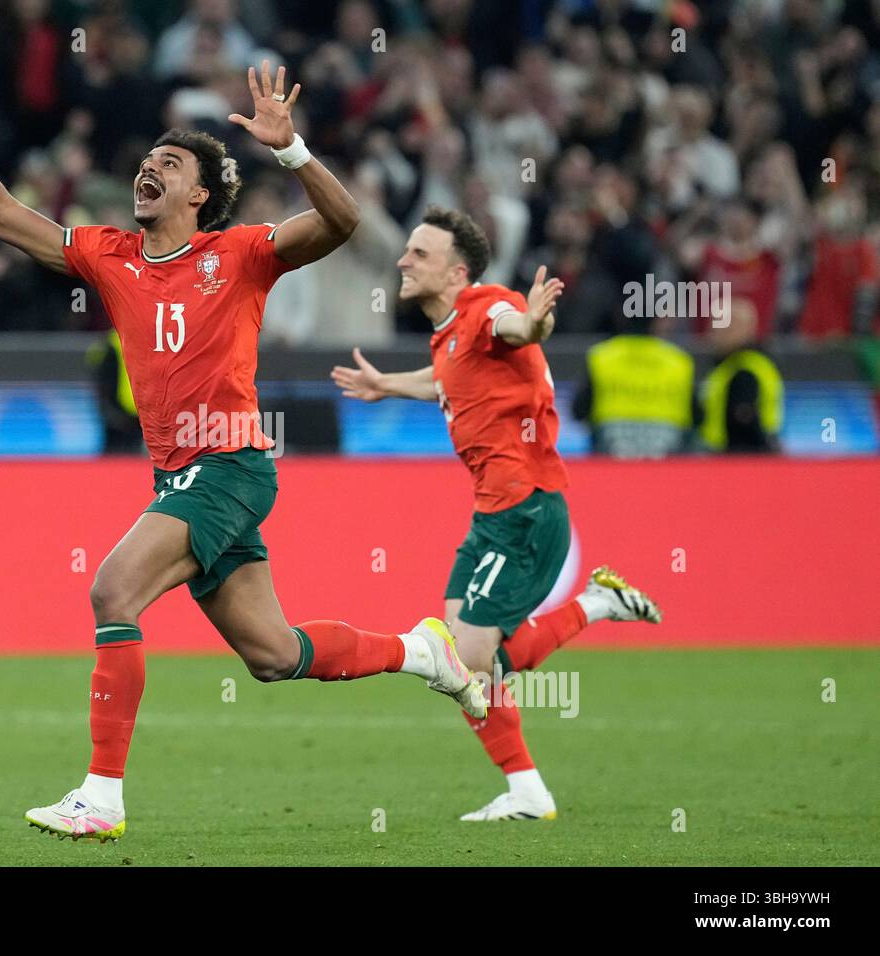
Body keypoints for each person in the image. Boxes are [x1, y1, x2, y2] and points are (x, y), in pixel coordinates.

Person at [0, 35, 487, 842]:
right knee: (273, 654)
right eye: (150, 158)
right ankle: (421, 652)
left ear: (201, 196)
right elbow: (1, 213)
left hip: (231, 466)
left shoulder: (241, 254)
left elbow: (344, 221)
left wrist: (290, 148)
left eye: (171, 165)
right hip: (180, 477)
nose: (151, 167)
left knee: (113, 591)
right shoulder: (109, 257)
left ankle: (102, 796)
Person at [331, 208, 661, 821]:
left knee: (467, 661)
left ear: (458, 271)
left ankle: (594, 606)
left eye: (419, 254)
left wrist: (535, 320)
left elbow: (516, 328)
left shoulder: (487, 308)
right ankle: (528, 790)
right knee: (462, 663)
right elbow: (445, 377)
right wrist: (386, 385)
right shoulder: (453, 331)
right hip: (492, 515)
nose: (403, 261)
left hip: (527, 512)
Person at [573, 312, 701, 458]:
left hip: (610, 454)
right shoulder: (679, 360)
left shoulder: (601, 356)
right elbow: (698, 416)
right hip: (669, 457)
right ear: (656, 322)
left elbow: (578, 410)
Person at [700, 300, 784, 453]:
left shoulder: (744, 370)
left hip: (738, 458)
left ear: (745, 329)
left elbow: (744, 420)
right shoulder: (732, 366)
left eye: (723, 326)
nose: (714, 333)